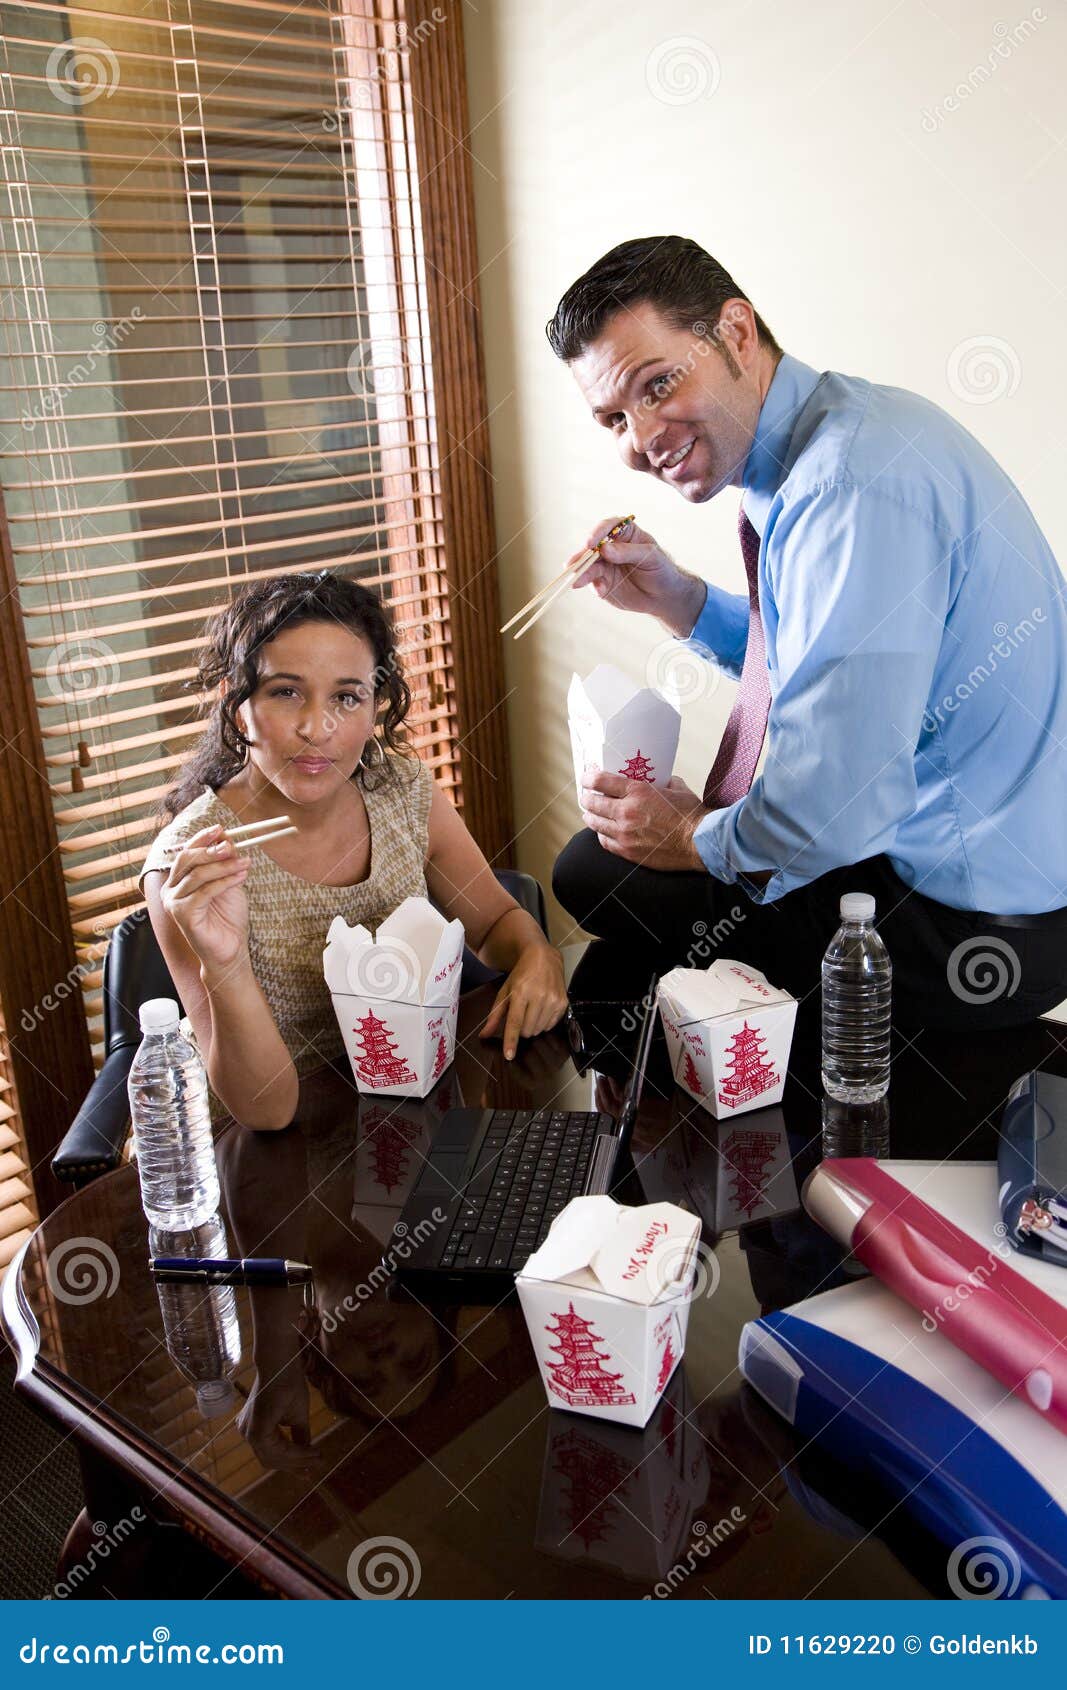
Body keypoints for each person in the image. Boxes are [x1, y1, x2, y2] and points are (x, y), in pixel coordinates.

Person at [546, 235, 1067, 1029]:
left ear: (735, 332)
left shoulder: (846, 487)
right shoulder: (841, 433)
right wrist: (680, 601)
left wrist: (691, 836)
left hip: (978, 931)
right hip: (978, 865)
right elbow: (827, 664)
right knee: (619, 904)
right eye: (614, 417)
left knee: (593, 873)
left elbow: (838, 805)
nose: (641, 436)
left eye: (657, 385)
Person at [139, 572, 567, 1130]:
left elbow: (496, 924)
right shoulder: (186, 865)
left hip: (406, 1108)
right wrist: (226, 964)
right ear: (236, 704)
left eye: (346, 697)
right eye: (285, 692)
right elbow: (266, 1112)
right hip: (269, 1145)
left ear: (375, 705)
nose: (317, 728)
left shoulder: (403, 792)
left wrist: (539, 954)